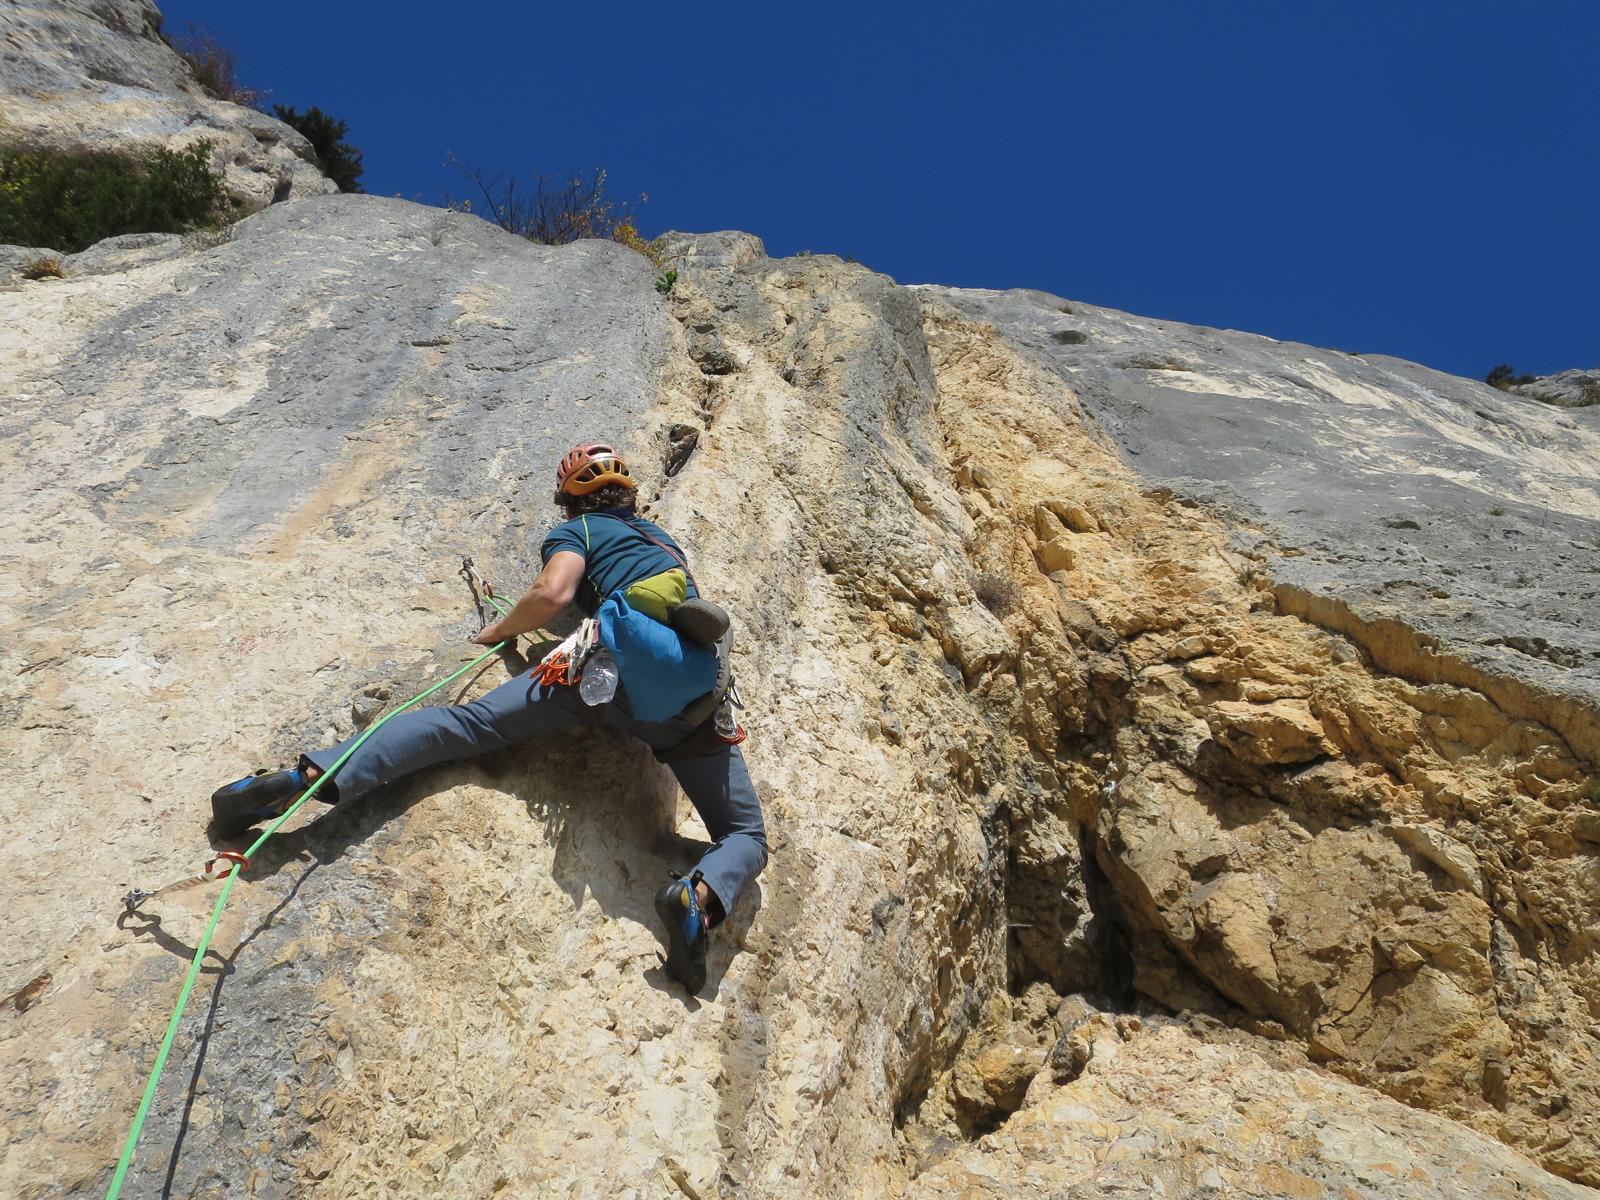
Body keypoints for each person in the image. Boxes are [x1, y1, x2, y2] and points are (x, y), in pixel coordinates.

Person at [209, 443, 766, 995]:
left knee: (466, 726)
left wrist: (499, 631)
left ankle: (306, 779)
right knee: (744, 834)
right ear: (628, 495)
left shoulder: (581, 532)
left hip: (597, 677)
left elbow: (554, 593)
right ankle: (698, 896)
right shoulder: (663, 543)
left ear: (570, 500)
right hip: (689, 707)